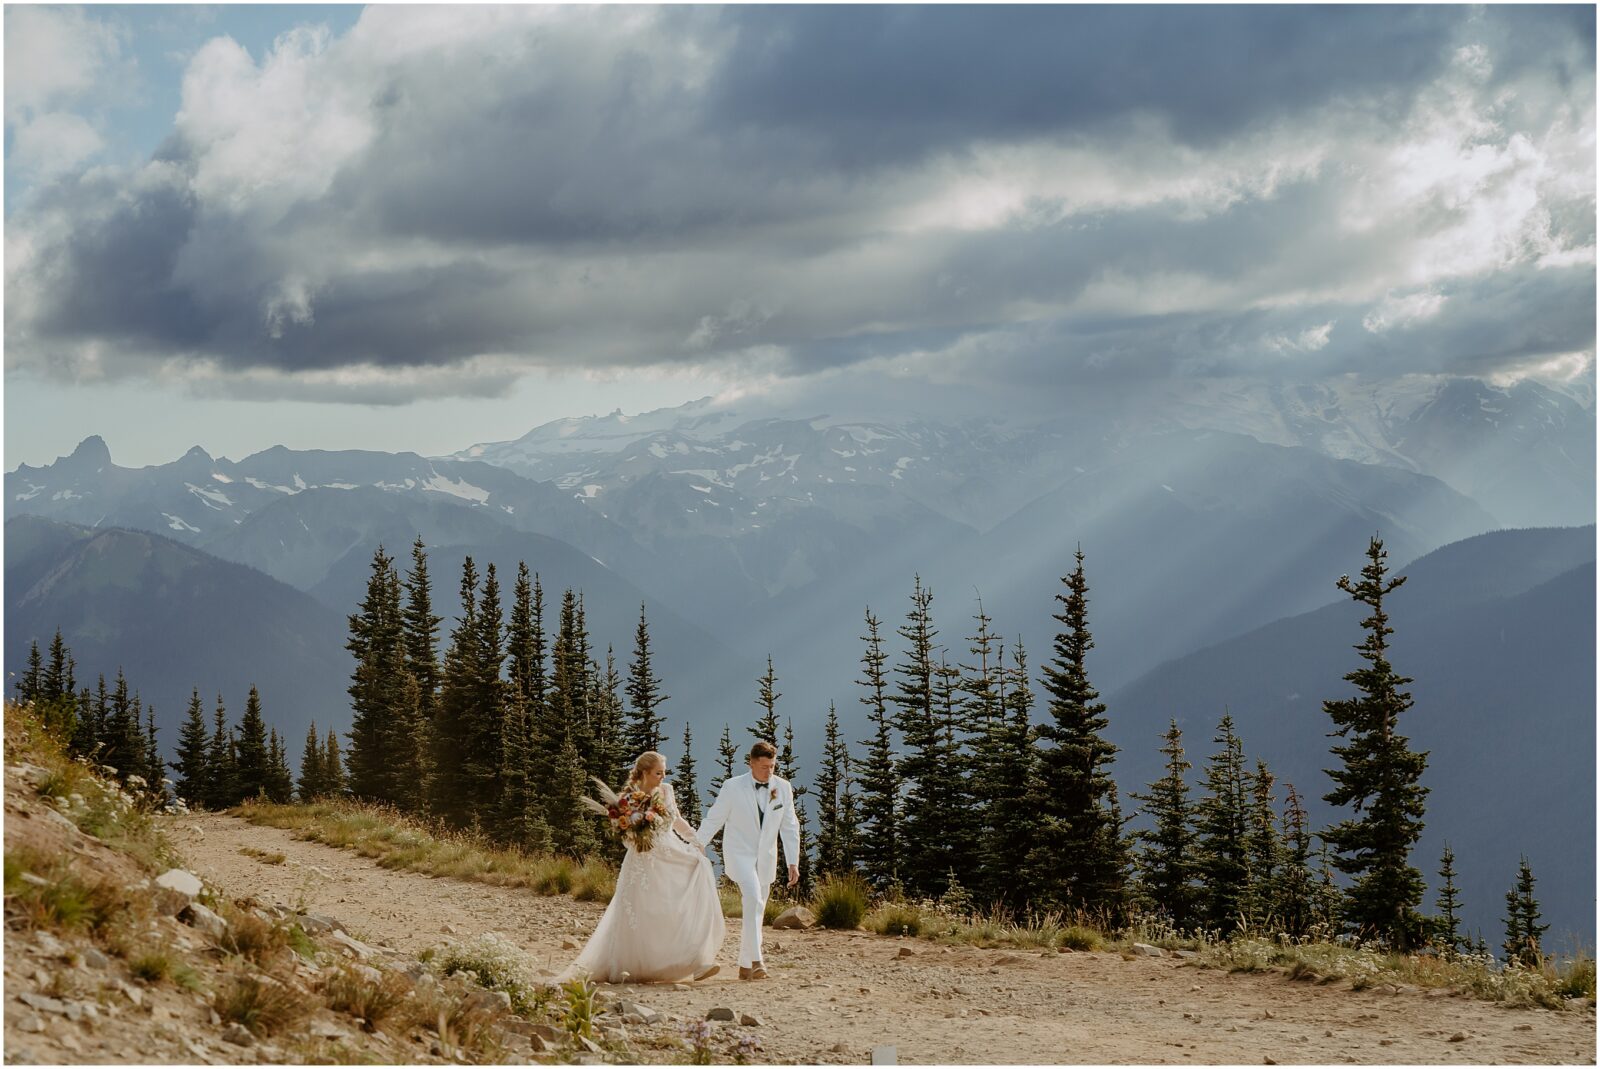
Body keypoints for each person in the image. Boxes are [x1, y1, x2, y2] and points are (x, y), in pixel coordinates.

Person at [564, 751, 724, 983]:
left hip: (672, 854)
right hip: (644, 860)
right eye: (658, 773)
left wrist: (695, 840)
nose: (662, 777)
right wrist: (638, 836)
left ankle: (697, 960)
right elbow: (625, 835)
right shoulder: (628, 799)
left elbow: (676, 819)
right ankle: (640, 965)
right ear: (645, 773)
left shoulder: (666, 790)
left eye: (664, 772)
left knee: (690, 887)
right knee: (649, 913)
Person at [696, 740, 799, 980]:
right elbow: (715, 818)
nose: (769, 771)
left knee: (757, 908)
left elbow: (790, 825)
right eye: (764, 766)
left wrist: (792, 861)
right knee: (752, 897)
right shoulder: (732, 787)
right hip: (739, 853)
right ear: (751, 763)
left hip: (767, 858)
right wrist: (698, 843)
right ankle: (757, 960)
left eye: (772, 766)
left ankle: (744, 965)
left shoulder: (783, 788)